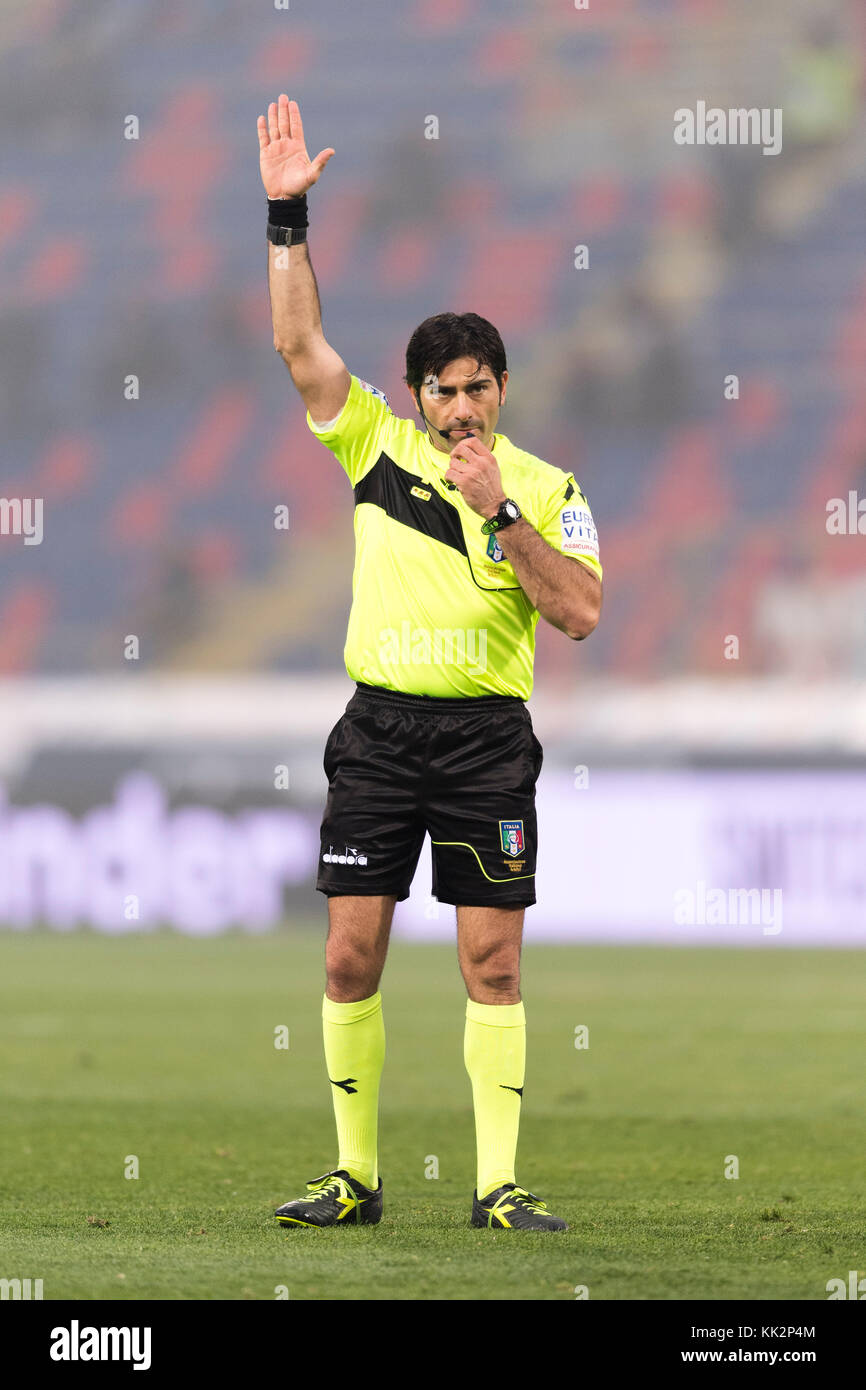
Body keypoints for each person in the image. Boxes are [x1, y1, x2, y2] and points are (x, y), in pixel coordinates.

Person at [258, 95, 602, 1232]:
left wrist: (502, 514)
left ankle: (496, 1185)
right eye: (440, 388)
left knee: (490, 965)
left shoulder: (545, 492)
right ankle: (354, 1177)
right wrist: (286, 216)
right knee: (350, 952)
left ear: (502, 392)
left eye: (476, 386)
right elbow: (299, 346)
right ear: (416, 397)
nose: (458, 407)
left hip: (484, 743)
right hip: (379, 733)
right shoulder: (374, 445)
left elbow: (582, 613)